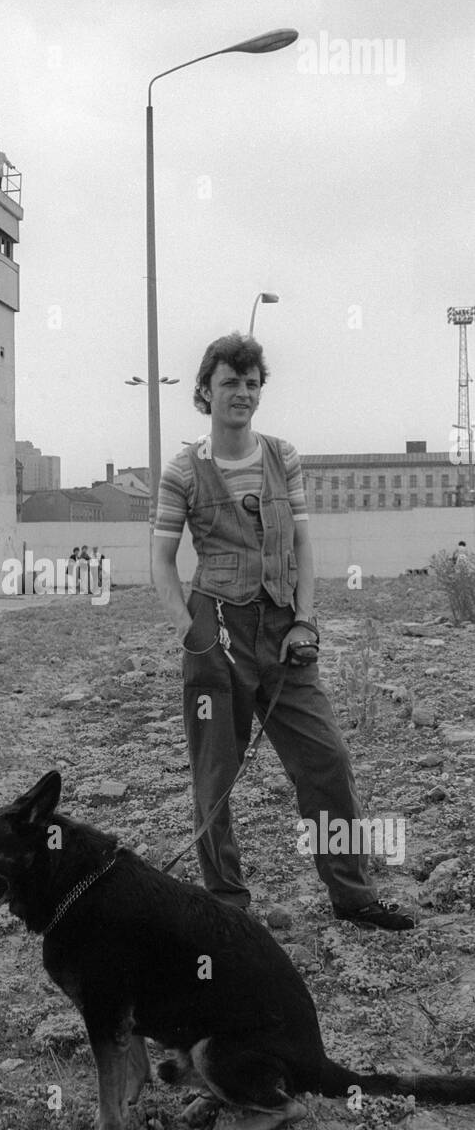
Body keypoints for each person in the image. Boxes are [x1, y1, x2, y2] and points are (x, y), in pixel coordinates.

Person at [152, 330, 413, 932]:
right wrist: (193, 637)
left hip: (283, 635)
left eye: (251, 383)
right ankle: (227, 907)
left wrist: (305, 620)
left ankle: (352, 896)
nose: (241, 393)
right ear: (204, 392)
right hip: (215, 633)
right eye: (229, 383)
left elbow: (300, 545)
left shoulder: (283, 457)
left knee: (327, 761)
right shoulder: (183, 472)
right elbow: (161, 564)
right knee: (213, 780)